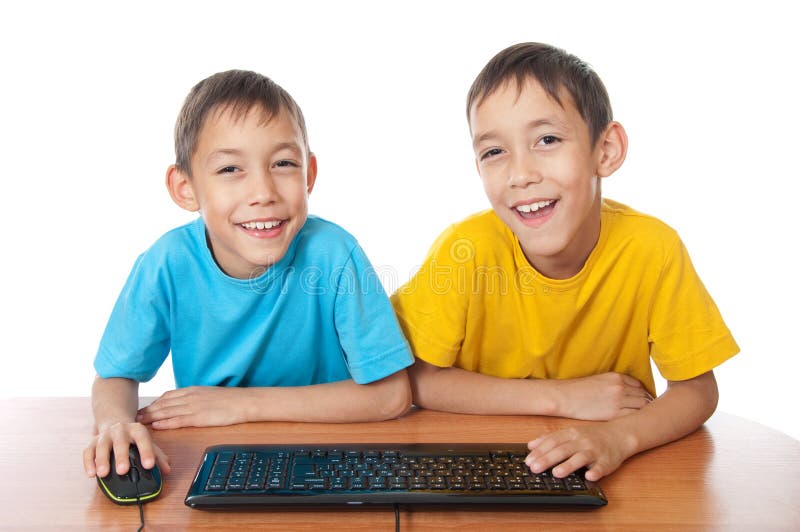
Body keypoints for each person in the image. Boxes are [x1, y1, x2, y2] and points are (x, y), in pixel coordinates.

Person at [390, 43, 739, 481]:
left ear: (606, 150)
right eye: (494, 152)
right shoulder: (466, 250)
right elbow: (409, 378)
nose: (521, 174)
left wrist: (619, 438)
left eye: (547, 140)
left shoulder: (652, 248)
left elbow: (697, 390)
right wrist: (561, 398)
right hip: (476, 460)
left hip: (605, 470)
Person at [83, 70, 414, 480]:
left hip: (329, 459)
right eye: (229, 170)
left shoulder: (335, 254)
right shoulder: (166, 263)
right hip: (218, 459)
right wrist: (116, 424)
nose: (263, 192)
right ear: (185, 187)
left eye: (283, 163)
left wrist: (240, 405)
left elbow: (392, 395)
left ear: (308, 175)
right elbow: (117, 373)